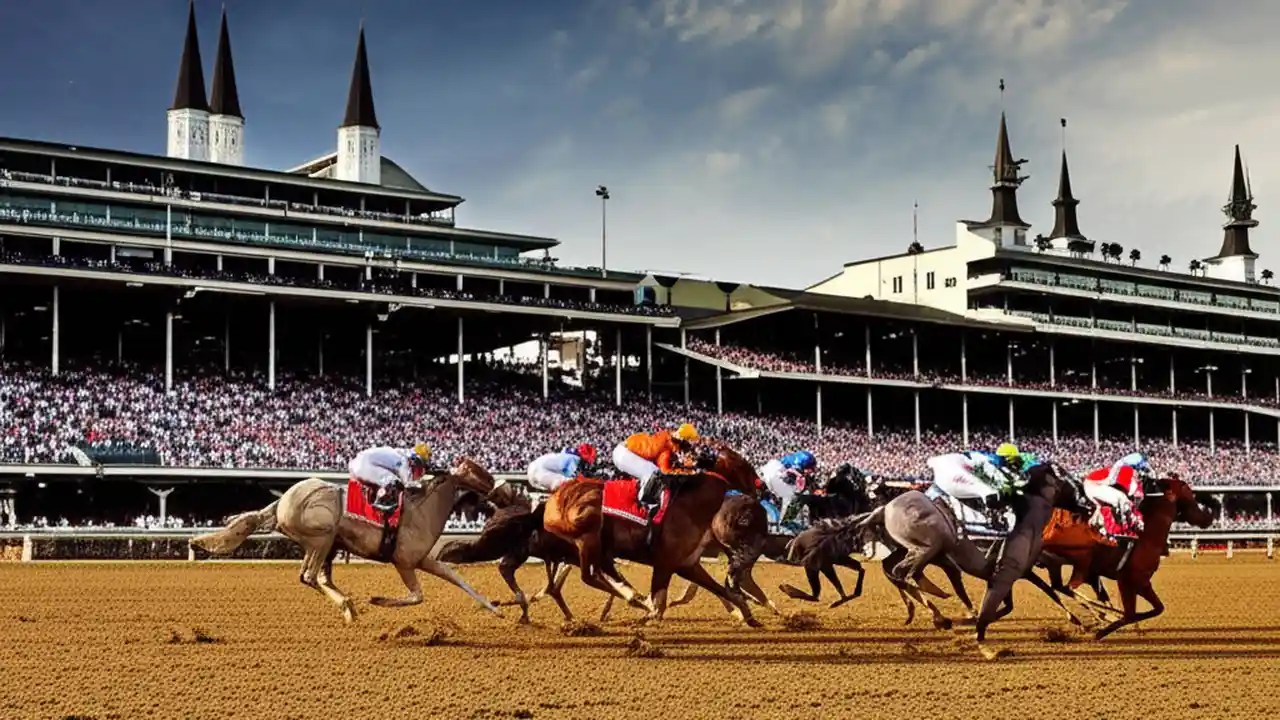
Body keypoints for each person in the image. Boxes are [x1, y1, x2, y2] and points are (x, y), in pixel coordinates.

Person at [926, 442, 1024, 528]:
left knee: (985, 492)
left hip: (945, 467)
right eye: (1014, 462)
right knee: (989, 493)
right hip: (952, 470)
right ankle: (987, 522)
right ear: (1006, 458)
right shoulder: (991, 461)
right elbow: (998, 490)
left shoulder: (985, 458)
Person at [612, 423, 700, 511]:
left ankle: (646, 504)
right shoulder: (667, 446)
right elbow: (664, 470)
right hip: (624, 453)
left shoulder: (668, 439)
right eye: (688, 442)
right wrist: (686, 472)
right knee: (653, 473)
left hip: (624, 451)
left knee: (652, 473)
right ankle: (646, 506)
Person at [348, 442, 433, 512]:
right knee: (394, 481)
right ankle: (382, 502)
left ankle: (376, 499)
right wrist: (421, 485)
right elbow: (407, 483)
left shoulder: (398, 454)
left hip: (358, 464)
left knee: (386, 481)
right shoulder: (403, 459)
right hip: (365, 465)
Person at [1083, 452, 1150, 538]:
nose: (1138, 475)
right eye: (1139, 471)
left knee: (1111, 504)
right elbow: (1128, 493)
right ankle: (1123, 531)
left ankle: (1095, 528)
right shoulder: (1125, 471)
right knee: (1122, 499)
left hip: (1092, 486)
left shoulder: (1123, 468)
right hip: (1093, 485)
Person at [760, 450, 817, 534]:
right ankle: (785, 523)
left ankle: (784, 522)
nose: (810, 472)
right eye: (810, 469)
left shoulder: (787, 464)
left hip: (770, 476)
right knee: (799, 497)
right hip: (774, 478)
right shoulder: (795, 469)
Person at [526, 443, 598, 494]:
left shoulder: (568, 454)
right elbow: (574, 477)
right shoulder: (575, 458)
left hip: (533, 470)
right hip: (540, 472)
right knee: (572, 483)